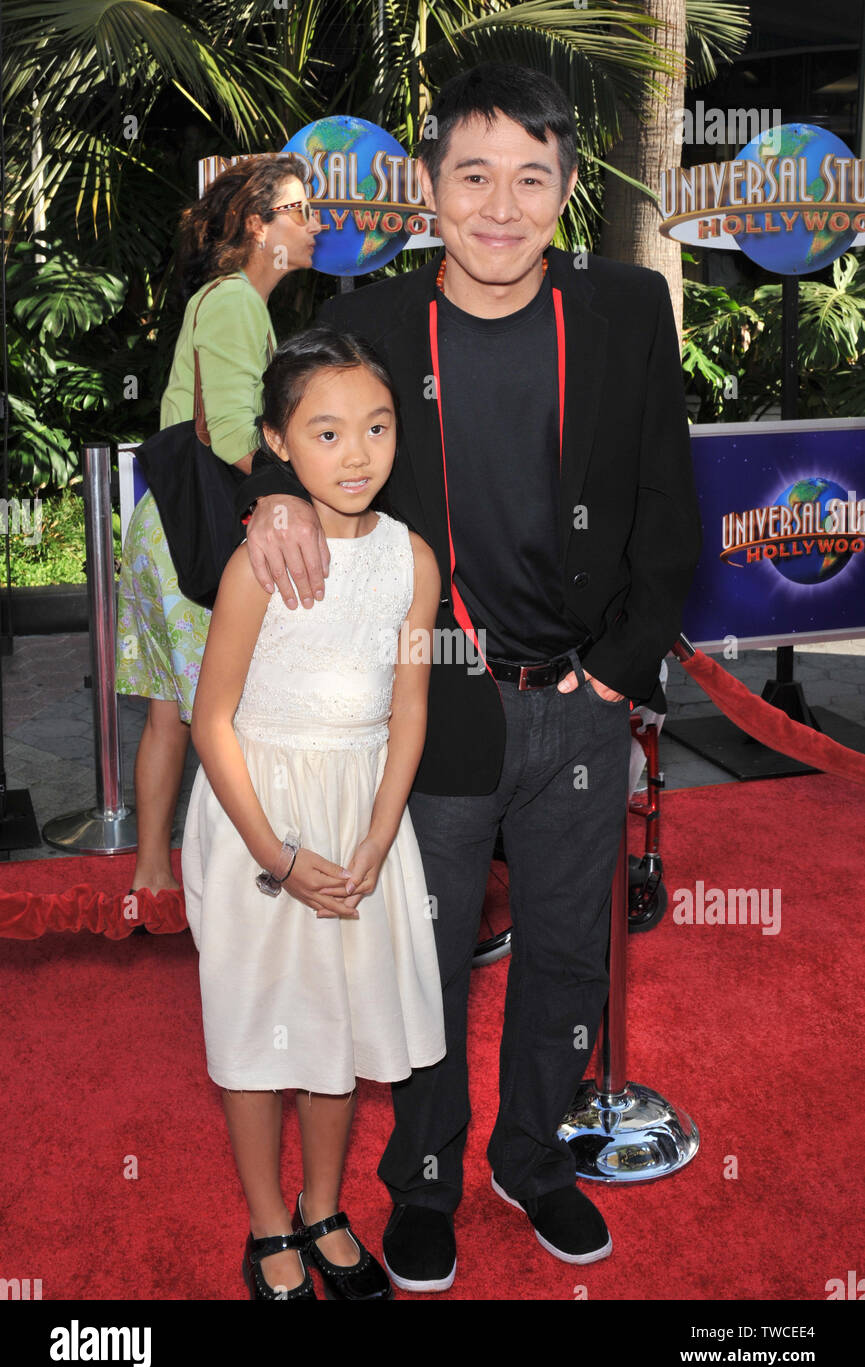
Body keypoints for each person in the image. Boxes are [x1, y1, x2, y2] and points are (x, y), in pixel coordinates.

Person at [234, 62, 702, 1292]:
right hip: (431, 705)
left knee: (563, 955)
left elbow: (669, 516)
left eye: (531, 178)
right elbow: (279, 431)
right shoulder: (376, 322)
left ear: (563, 191)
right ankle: (425, 1176)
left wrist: (612, 679)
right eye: (474, 175)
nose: (502, 206)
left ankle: (536, 1158)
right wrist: (269, 500)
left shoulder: (625, 312)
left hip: (582, 706)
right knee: (424, 961)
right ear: (430, 189)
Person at [180, 327, 446, 1300]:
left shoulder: (412, 561)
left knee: (334, 1029)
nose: (359, 451)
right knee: (259, 1031)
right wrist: (276, 854)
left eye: (376, 426)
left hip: (364, 815)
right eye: (327, 432)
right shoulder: (259, 560)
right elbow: (211, 719)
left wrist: (380, 833)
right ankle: (266, 1225)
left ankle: (326, 1205)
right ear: (279, 443)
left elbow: (410, 704)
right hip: (264, 816)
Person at [115, 154, 322, 901]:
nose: (315, 225)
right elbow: (234, 434)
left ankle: (151, 882)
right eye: (298, 211)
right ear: (256, 225)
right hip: (196, 531)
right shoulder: (236, 300)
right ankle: (236, 881)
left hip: (165, 526)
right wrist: (301, 493)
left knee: (173, 714)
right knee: (221, 716)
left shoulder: (227, 299)